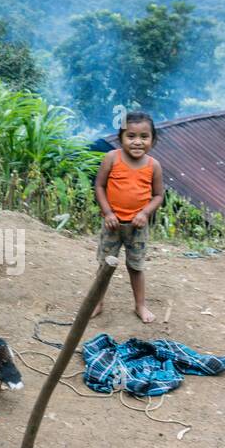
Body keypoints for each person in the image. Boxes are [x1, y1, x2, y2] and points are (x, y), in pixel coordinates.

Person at [93, 111, 164, 323]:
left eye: (144, 136)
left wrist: (144, 213)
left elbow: (159, 195)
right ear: (120, 138)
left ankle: (140, 305)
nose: (137, 142)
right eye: (130, 136)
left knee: (136, 267)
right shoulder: (111, 158)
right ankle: (97, 302)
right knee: (105, 266)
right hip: (112, 225)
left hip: (137, 227)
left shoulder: (153, 166)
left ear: (153, 139)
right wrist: (107, 212)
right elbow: (99, 186)